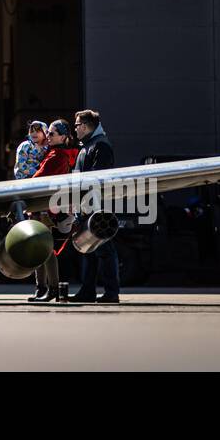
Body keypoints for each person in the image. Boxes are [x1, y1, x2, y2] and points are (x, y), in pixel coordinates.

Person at [69, 108, 120, 303]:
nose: (75, 130)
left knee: (105, 251)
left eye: (76, 125)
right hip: (86, 206)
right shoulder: (87, 146)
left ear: (86, 125)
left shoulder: (100, 146)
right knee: (88, 250)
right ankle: (88, 290)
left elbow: (98, 178)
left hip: (97, 207)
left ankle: (111, 292)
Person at [28, 119, 80, 302]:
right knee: (43, 248)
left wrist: (20, 186)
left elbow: (38, 178)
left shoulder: (57, 156)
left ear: (64, 136)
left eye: (52, 133)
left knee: (45, 249)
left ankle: (50, 289)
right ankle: (44, 288)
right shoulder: (59, 153)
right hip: (53, 208)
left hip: (49, 209)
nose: (47, 136)